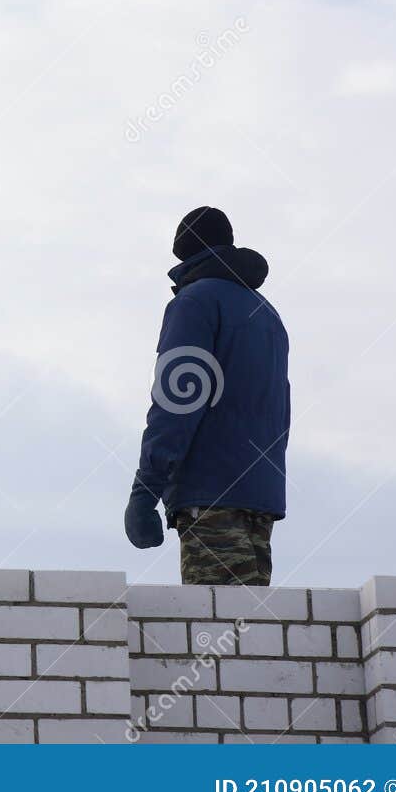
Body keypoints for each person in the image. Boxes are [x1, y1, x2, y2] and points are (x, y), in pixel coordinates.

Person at [123, 207, 290, 585]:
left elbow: (177, 401)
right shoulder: (268, 315)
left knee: (218, 617)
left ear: (182, 253)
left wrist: (145, 491)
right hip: (261, 498)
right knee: (250, 615)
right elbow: (281, 412)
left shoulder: (195, 303)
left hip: (210, 494)